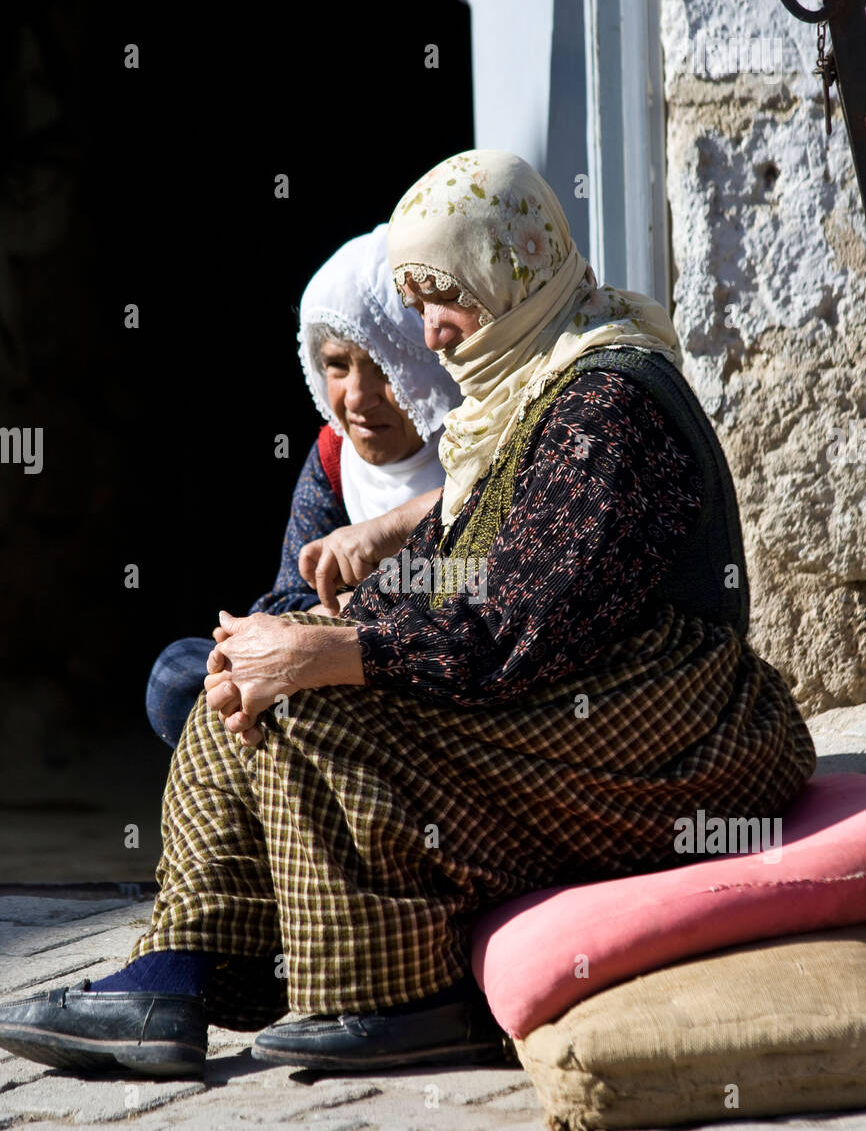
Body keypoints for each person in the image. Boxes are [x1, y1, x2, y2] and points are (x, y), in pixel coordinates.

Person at [0, 150, 816, 1078]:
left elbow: (516, 624)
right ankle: (176, 975)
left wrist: (327, 654)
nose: (428, 335)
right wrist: (297, 634)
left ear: (507, 271)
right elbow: (473, 569)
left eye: (445, 299)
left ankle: (405, 996)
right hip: (584, 693)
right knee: (239, 685)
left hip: (685, 725)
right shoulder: (527, 386)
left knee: (310, 701)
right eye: (420, 302)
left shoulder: (607, 402)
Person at [145, 223, 460, 746]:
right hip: (314, 668)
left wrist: (341, 624)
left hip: (413, 676)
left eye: (384, 368)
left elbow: (482, 597)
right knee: (178, 675)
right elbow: (293, 588)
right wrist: (261, 647)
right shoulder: (334, 455)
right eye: (337, 366)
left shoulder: (474, 449)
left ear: (428, 363)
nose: (356, 398)